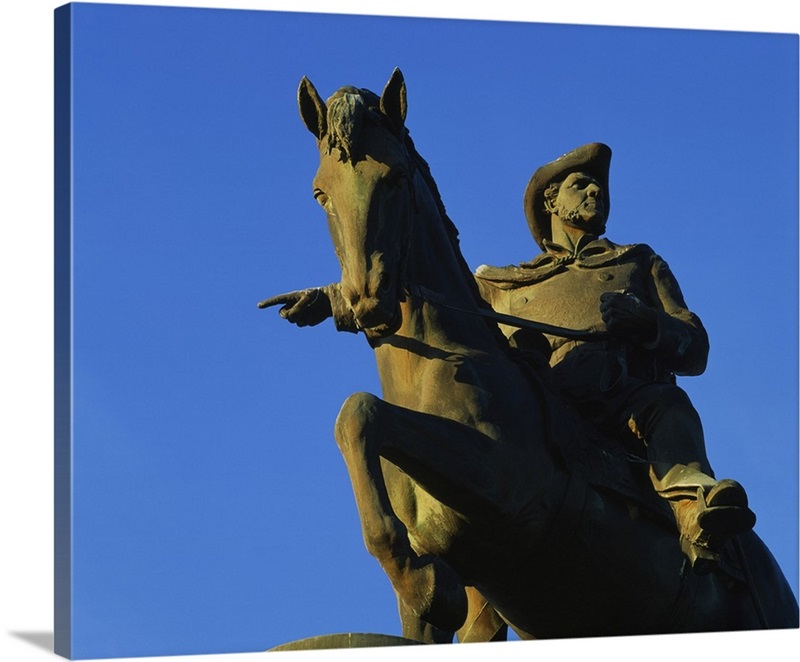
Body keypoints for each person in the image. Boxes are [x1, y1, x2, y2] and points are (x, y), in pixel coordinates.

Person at [473, 143, 754, 570]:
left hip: (627, 405)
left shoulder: (636, 263)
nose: (595, 193)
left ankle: (691, 504)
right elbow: (433, 307)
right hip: (549, 412)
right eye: (580, 184)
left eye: (600, 187)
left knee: (668, 405)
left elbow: (695, 348)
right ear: (551, 200)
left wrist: (646, 324)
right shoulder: (506, 286)